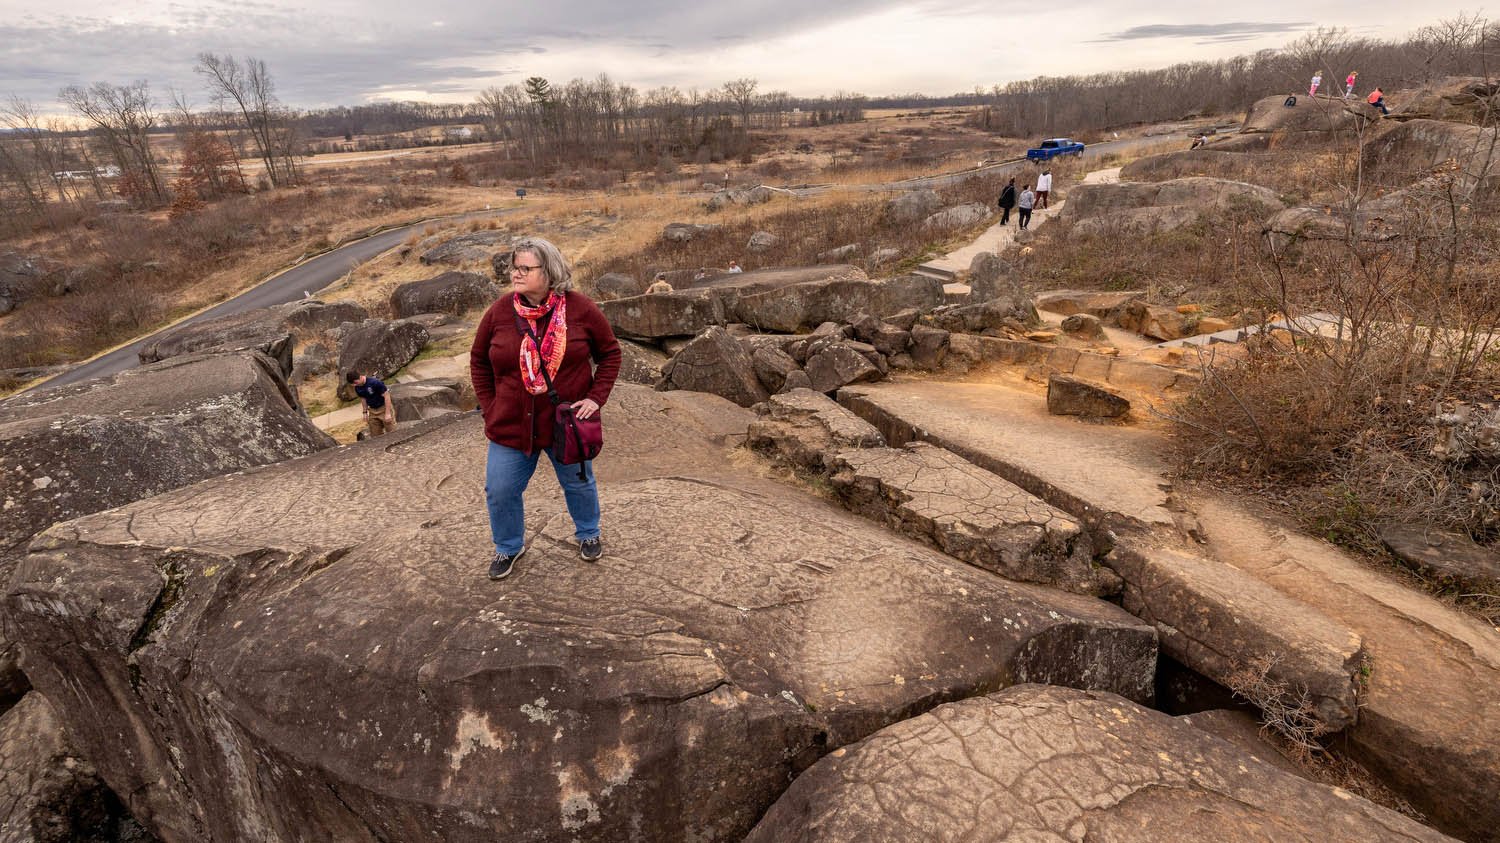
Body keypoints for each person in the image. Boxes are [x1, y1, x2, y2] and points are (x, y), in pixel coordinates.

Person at [470, 236, 622, 581]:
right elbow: (479, 361)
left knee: (578, 483)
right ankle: (508, 546)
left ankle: (588, 532)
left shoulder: (581, 309)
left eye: (526, 268)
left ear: (549, 271)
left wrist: (595, 398)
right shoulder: (499, 312)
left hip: (564, 423)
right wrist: (490, 406)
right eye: (515, 267)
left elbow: (610, 354)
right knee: (500, 489)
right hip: (511, 423)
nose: (516, 274)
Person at [347, 370, 395, 437]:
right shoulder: (357, 387)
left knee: (392, 433)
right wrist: (365, 412)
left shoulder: (375, 383)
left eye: (356, 383)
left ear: (360, 377)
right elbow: (363, 399)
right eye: (353, 384)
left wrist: (388, 413)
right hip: (372, 411)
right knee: (375, 436)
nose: (355, 385)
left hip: (383, 408)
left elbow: (387, 396)